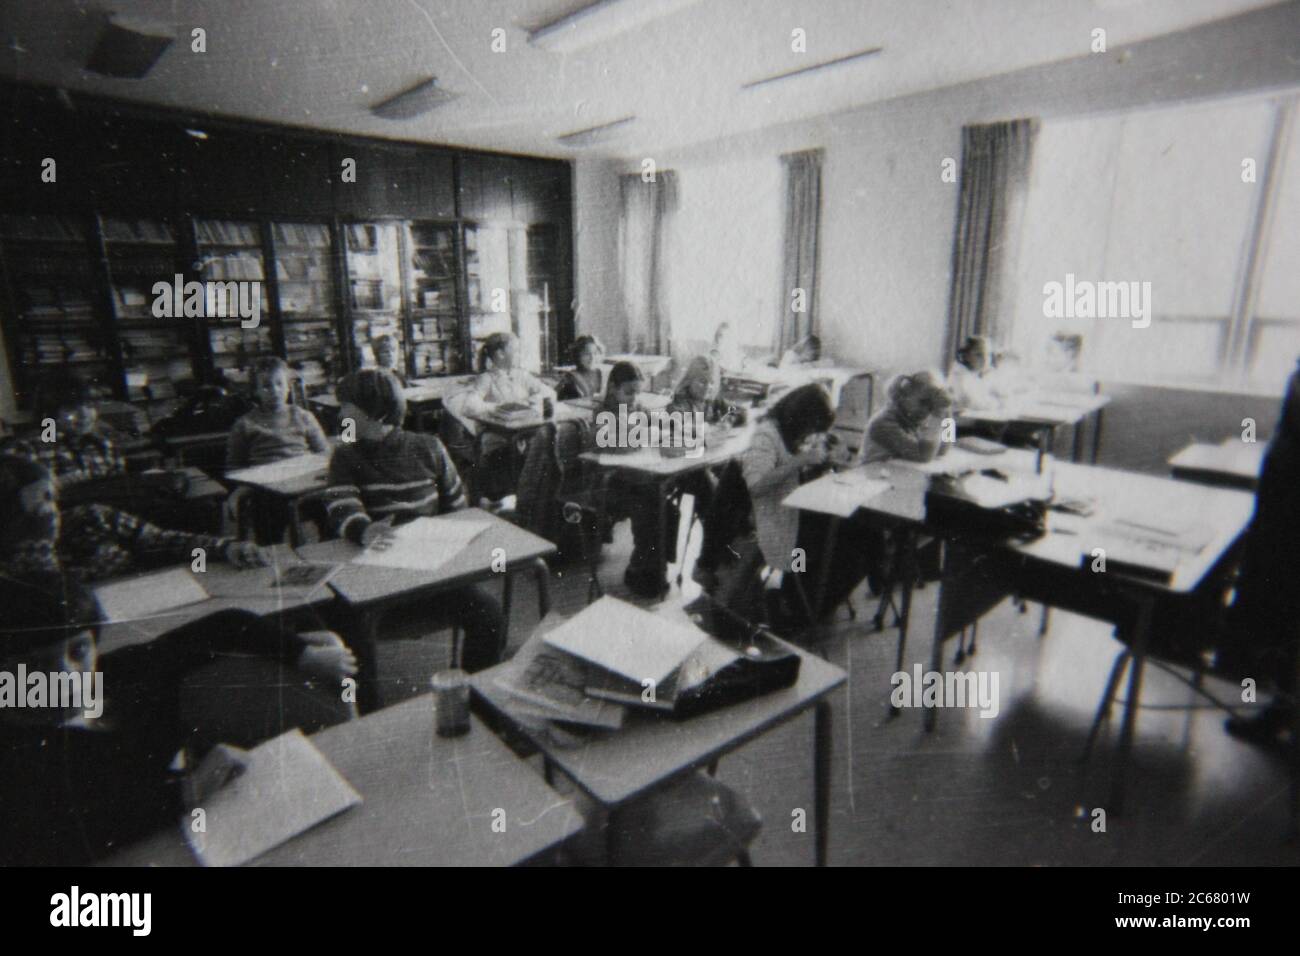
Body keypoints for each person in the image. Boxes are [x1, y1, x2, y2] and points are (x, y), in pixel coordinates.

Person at [0, 572, 356, 865]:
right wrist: (182, 794)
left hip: (211, 826)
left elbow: (227, 623)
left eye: (79, 651)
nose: (67, 677)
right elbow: (53, 842)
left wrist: (303, 655)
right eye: (36, 664)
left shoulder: (120, 674)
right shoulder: (16, 751)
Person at [322, 369, 505, 672]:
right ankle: (366, 706)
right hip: (377, 578)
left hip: (430, 573)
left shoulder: (429, 447)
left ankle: (474, 696)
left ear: (374, 411)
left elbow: (457, 508)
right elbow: (342, 506)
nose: (340, 414)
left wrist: (462, 530)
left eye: (346, 407)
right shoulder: (345, 456)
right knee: (352, 631)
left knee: (489, 613)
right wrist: (365, 530)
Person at [1218, 360, 1300, 748]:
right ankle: (1279, 712)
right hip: (1278, 514)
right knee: (1278, 627)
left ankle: (1282, 715)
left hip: (1289, 524)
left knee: (1284, 623)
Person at [0, 368, 125, 491]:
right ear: (50, 412)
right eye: (71, 408)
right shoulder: (25, 449)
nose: (84, 415)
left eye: (89, 406)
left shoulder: (104, 445)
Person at [225, 356, 329, 469]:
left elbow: (323, 452)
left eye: (280, 384)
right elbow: (234, 466)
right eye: (266, 386)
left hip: (301, 471)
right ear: (255, 390)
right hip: (264, 475)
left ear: (288, 386)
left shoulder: (304, 417)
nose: (275, 391)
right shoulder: (244, 424)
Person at [859, 371, 953, 464]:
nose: (927, 410)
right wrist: (937, 417)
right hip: (872, 472)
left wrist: (946, 413)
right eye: (923, 402)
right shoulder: (883, 423)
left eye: (931, 406)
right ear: (904, 395)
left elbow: (942, 450)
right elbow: (923, 455)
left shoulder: (911, 420)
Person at [947, 336, 1001, 412]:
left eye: (988, 354)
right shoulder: (959, 374)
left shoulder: (976, 375)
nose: (985, 359)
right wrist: (994, 403)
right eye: (979, 354)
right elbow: (971, 402)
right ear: (966, 356)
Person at [557, 335, 605, 400]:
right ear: (578, 355)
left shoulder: (599, 373)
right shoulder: (571, 378)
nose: (592, 358)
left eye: (595, 353)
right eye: (587, 354)